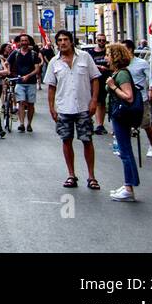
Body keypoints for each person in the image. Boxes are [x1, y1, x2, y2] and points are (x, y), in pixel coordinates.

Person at [46, 29, 102, 191]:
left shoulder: (85, 57)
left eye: (65, 39)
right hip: (64, 107)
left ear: (71, 41)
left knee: (87, 140)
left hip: (83, 106)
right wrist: (52, 107)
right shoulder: (54, 62)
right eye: (60, 40)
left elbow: (95, 79)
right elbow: (51, 86)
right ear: (57, 44)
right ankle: (71, 174)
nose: (62, 43)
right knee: (66, 140)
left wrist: (94, 100)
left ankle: (91, 177)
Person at [103, 42, 141, 202]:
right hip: (118, 115)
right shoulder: (119, 72)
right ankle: (128, 184)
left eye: (108, 55)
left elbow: (129, 96)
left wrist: (112, 86)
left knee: (124, 151)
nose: (106, 58)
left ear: (115, 56)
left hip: (122, 115)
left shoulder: (123, 74)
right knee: (124, 151)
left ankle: (128, 187)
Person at [122, 39, 152, 158]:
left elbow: (150, 77)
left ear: (130, 49)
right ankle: (124, 147)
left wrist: (151, 89)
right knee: (124, 124)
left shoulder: (141, 63)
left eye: (124, 49)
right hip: (126, 98)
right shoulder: (121, 64)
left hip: (141, 98)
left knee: (146, 124)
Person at [7, 34, 40, 133]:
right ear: (19, 42)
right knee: (21, 102)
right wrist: (8, 70)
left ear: (28, 42)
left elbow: (37, 69)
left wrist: (28, 76)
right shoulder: (15, 53)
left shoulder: (33, 54)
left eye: (26, 40)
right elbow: (7, 62)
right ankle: (21, 124)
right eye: (22, 41)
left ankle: (29, 123)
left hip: (31, 82)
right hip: (19, 82)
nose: (24, 42)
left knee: (30, 104)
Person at [89, 34, 110, 134]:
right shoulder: (91, 53)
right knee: (96, 102)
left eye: (103, 40)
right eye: (100, 40)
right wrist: (98, 66)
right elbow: (89, 65)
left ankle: (100, 124)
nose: (102, 42)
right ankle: (97, 124)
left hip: (106, 80)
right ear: (96, 41)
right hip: (95, 80)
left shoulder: (108, 52)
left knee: (102, 103)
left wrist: (107, 68)